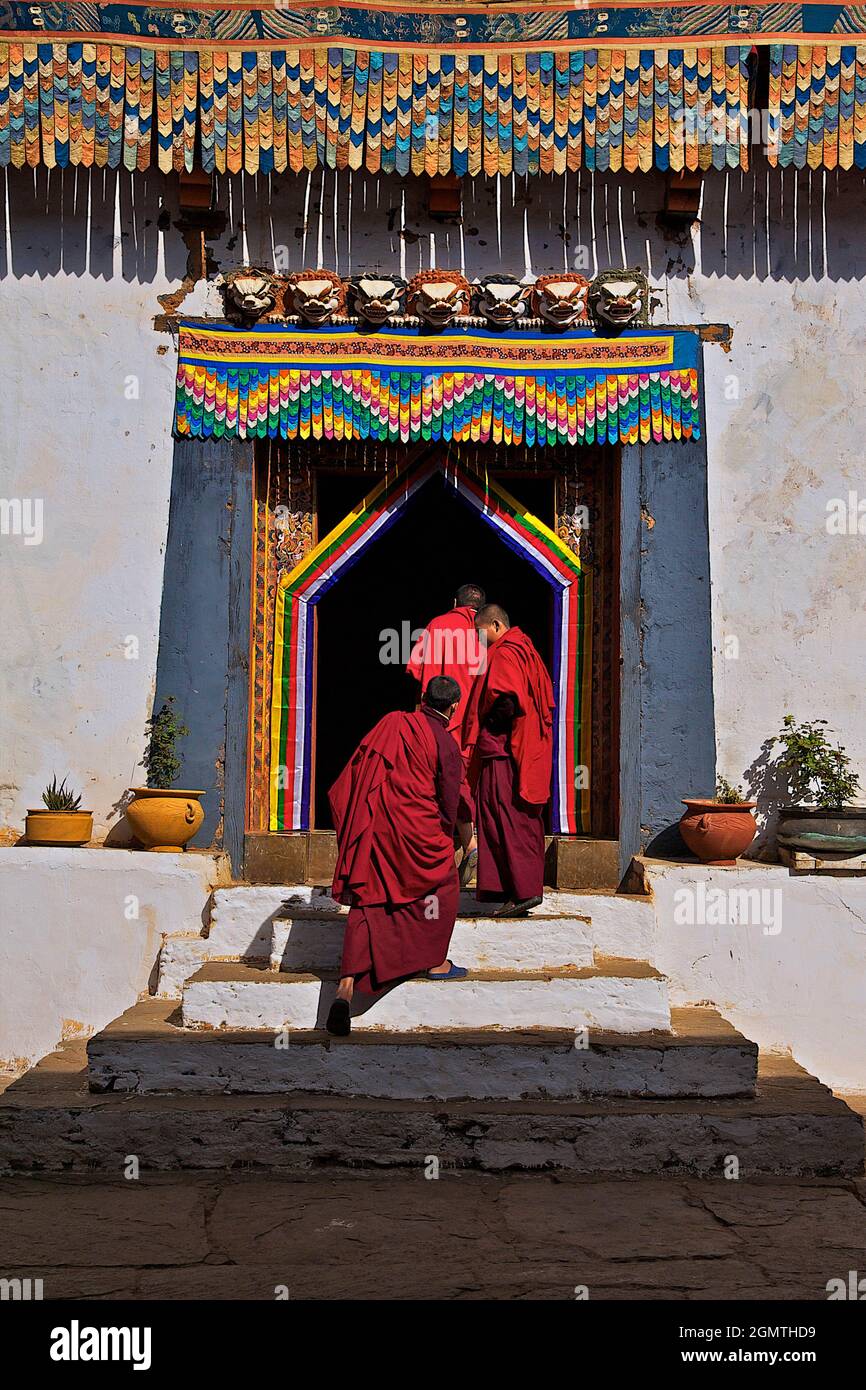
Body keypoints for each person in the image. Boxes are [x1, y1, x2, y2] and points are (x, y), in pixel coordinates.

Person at [326, 675, 468, 1036]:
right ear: (453, 708)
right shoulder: (446, 744)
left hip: (379, 831)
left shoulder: (392, 724)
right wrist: (446, 838)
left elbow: (359, 771)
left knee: (368, 902)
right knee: (443, 887)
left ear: (422, 698)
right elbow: (449, 803)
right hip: (418, 835)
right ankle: (434, 962)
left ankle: (344, 990)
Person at [462, 604, 554, 918]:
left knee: (507, 817)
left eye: (480, 632)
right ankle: (510, 890)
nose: (479, 640)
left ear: (497, 625)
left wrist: (487, 728)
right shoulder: (526, 650)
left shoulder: (505, 652)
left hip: (504, 751)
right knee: (506, 818)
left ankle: (523, 891)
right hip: (515, 750)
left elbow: (507, 701)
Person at [407, 582, 486, 885]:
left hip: (438, 722)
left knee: (430, 783)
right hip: (471, 725)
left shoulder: (438, 625)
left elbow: (417, 672)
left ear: (454, 601)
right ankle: (471, 843)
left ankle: (447, 850)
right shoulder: (486, 633)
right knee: (463, 782)